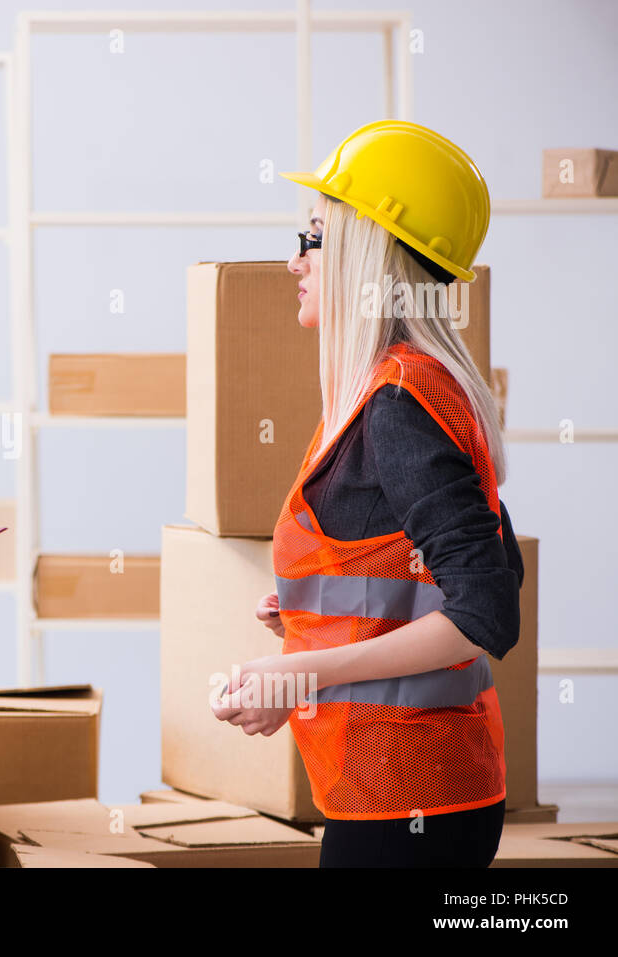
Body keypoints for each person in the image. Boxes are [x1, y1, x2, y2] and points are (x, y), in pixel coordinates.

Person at [210, 120, 523, 868]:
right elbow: (476, 566)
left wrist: (297, 671)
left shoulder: (398, 403)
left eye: (314, 237)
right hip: (412, 792)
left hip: (407, 802)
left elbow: (486, 607)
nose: (295, 261)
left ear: (369, 251)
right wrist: (308, 617)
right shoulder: (403, 386)